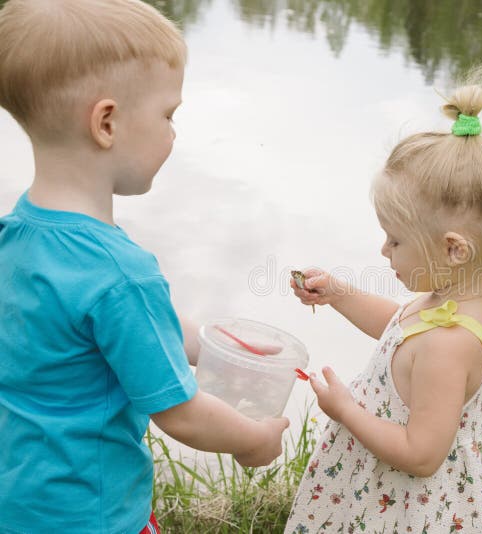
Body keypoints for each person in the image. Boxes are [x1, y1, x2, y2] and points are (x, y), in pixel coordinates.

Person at [0, 1, 288, 532]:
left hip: (18, 505)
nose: (174, 133)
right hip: (94, 515)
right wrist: (254, 440)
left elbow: (110, 334)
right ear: (106, 122)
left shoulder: (14, 236)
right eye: (168, 115)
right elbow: (181, 412)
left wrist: (214, 345)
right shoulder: (120, 273)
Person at [285, 66, 482, 533]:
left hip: (403, 508)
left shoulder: (450, 343)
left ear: (454, 248)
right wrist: (340, 293)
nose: (384, 251)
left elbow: (420, 455)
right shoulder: (453, 297)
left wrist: (346, 411)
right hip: (384, 493)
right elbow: (401, 335)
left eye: (395, 240)